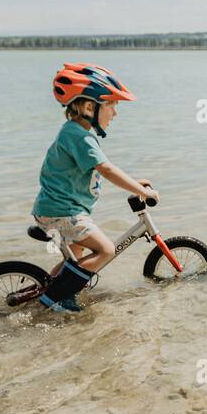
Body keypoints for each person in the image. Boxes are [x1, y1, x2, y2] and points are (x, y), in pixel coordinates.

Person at [32, 63, 157, 312]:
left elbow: (100, 170)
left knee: (75, 261)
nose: (115, 113)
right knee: (106, 250)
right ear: (90, 107)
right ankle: (55, 300)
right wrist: (144, 192)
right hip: (64, 212)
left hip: (60, 209)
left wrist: (134, 183)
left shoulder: (76, 133)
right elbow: (107, 169)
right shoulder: (79, 136)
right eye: (112, 105)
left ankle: (48, 292)